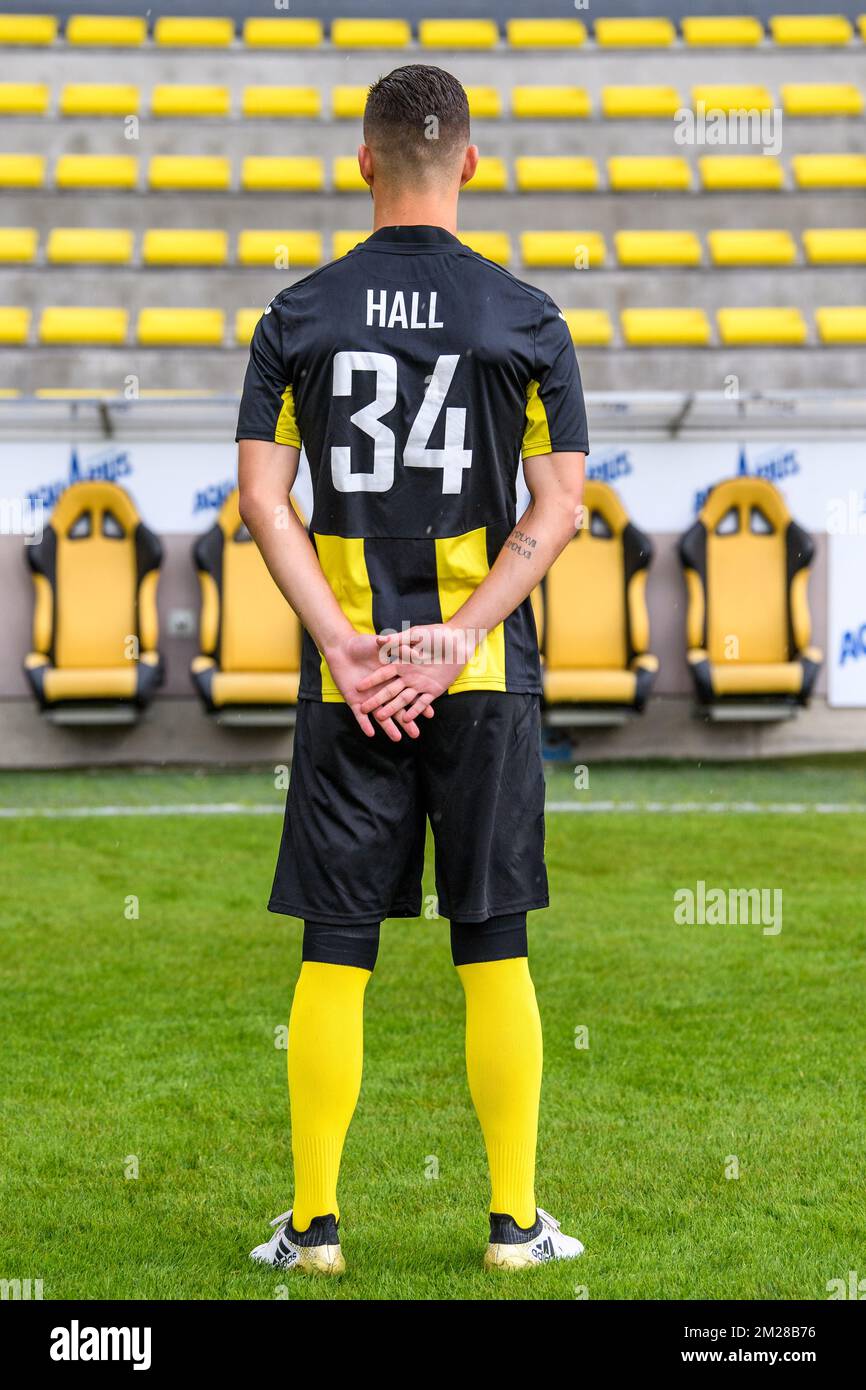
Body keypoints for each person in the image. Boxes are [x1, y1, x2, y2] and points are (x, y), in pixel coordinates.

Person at [237, 64, 587, 1275]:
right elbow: (557, 512)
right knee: (492, 940)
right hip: (478, 678)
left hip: (349, 680)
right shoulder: (526, 316)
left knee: (336, 944)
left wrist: (343, 640)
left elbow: (259, 498)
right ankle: (510, 1224)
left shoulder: (298, 313)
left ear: (362, 162)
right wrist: (462, 630)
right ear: (472, 166)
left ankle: (317, 1228)